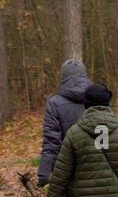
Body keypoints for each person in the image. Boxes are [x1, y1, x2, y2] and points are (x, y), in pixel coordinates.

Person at [37, 58, 93, 187]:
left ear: (63, 77)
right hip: (97, 165)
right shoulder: (98, 97)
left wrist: (44, 173)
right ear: (84, 74)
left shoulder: (54, 103)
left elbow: (52, 141)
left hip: (66, 168)